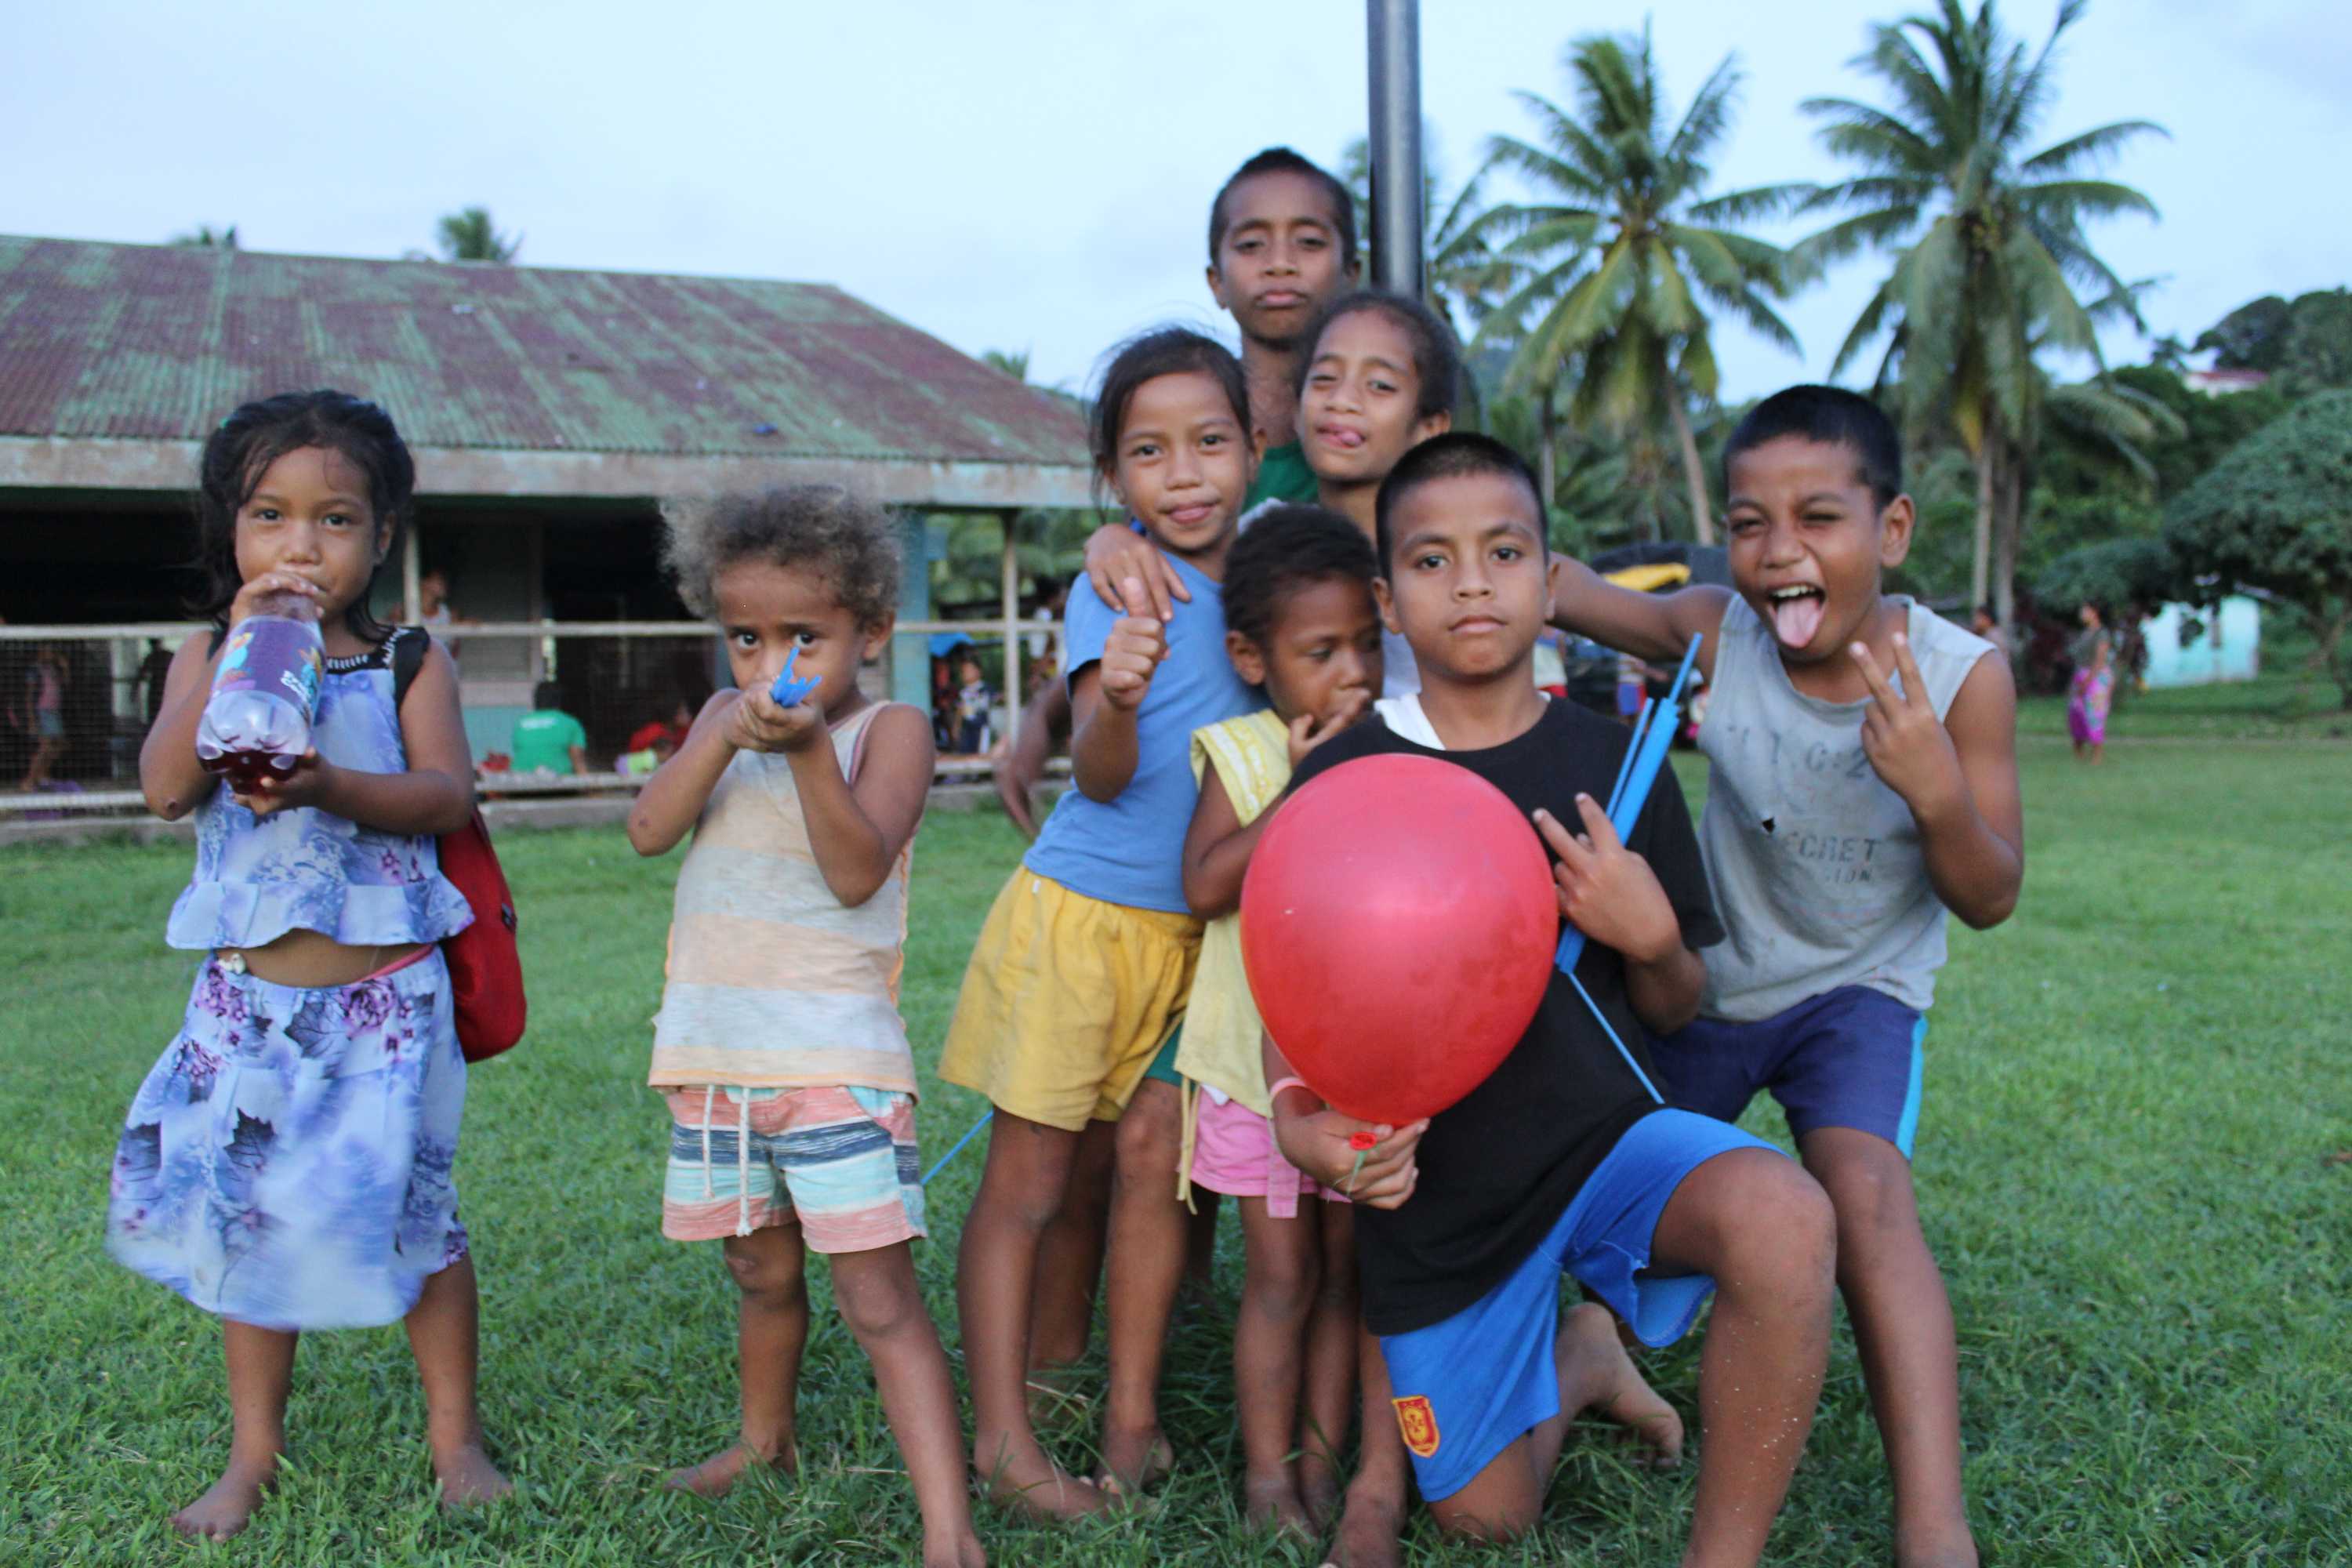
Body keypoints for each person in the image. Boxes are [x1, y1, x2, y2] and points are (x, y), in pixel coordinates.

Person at [1272, 432, 1838, 1568]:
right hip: (1444, 1199)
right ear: (1388, 599)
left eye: (1503, 551)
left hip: (1602, 1148)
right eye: (1432, 561)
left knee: (1786, 1217)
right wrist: (1309, 1137)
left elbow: (1674, 1009)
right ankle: (1584, 1355)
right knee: (1486, 1519)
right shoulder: (1341, 780)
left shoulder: (1619, 760)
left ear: (1548, 575)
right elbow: (1301, 1037)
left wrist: (1651, 933)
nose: (1472, 582)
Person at [1545, 387, 2025, 1568]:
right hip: (1708, 984)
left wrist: (1935, 791)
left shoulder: (1964, 679)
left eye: (1819, 517)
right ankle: (1596, 1342)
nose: (1780, 552)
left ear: (1893, 529)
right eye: (1752, 523)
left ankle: (1933, 1522)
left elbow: (1992, 891)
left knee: (1863, 1201)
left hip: (1859, 993)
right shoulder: (1719, 633)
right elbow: (1563, 586)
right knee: (1583, 1176)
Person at [110, 390, 506, 1540]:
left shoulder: (403, 660)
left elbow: (446, 795)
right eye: (271, 516)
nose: (300, 545)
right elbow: (166, 788)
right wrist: (241, 654)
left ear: (382, 537)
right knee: (246, 1219)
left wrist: (329, 783)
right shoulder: (207, 653)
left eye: (335, 520)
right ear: (229, 535)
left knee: (419, 1221)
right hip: (249, 1007)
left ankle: (455, 1441)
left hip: (386, 1007)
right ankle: (254, 1454)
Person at [625, 487, 983, 1568]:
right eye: (747, 637)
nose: (773, 665)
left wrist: (805, 752)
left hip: (833, 1065)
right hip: (716, 1055)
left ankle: (947, 1527)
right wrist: (720, 738)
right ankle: (763, 1439)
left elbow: (855, 868)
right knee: (759, 1273)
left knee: (876, 1297)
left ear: (870, 632)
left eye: (804, 638)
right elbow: (649, 831)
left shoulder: (892, 730)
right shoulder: (716, 724)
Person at [938, 327, 1261, 1517]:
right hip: (1083, 922)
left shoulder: (1271, 588)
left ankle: (1135, 1413)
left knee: (1153, 1181)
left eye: (1210, 443)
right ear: (1114, 481)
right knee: (1024, 1183)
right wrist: (1116, 692)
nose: (1184, 475)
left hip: (1203, 942)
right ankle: (1004, 1445)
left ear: (1255, 449)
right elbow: (1109, 773)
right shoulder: (1110, 588)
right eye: (1149, 454)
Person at [994, 147, 1359, 827]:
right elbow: (1152, 624)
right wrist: (1046, 714)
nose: (1280, 262)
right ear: (1217, 281)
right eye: (1253, 244)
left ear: (1352, 272)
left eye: (1308, 242)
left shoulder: (1362, 462)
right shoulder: (1184, 472)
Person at [1176, 505, 1381, 1538]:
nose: (1352, 673)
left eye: (1365, 644)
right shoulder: (1247, 754)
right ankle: (1267, 1476)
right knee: (1282, 1274)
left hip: (1363, 1065)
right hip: (1254, 1074)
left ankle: (1327, 1465)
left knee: (1349, 1273)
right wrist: (1298, 788)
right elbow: (1206, 881)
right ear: (1253, 658)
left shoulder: (1393, 749)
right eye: (1320, 652)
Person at [509, 681, 588, 775]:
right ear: (559, 700)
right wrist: (587, 785)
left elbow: (521, 752)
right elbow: (577, 760)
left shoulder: (521, 723)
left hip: (520, 783)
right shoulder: (570, 723)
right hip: (558, 784)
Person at [2067, 602, 2112, 764]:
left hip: (2096, 678)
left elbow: (2100, 660)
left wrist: (2088, 681)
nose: (2082, 613)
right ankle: (2078, 753)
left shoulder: (2102, 633)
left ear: (2095, 612)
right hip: (2081, 675)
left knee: (2095, 715)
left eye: (2085, 610)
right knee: (2076, 714)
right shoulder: (2085, 633)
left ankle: (2096, 755)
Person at [18, 644, 67, 789]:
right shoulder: (35, 670)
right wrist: (32, 719)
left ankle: (42, 775)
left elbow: (65, 684)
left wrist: (65, 668)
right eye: (48, 650)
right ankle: (29, 779)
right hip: (43, 711)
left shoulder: (52, 669)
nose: (51, 653)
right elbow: (29, 695)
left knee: (58, 745)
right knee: (45, 746)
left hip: (54, 711)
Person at [955, 654, 995, 755]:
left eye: (969, 670)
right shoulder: (963, 692)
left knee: (982, 752)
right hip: (967, 729)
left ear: (978, 672)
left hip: (981, 728)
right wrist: (957, 726)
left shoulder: (986, 688)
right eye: (964, 671)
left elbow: (994, 702)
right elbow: (960, 709)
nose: (966, 673)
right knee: (966, 753)